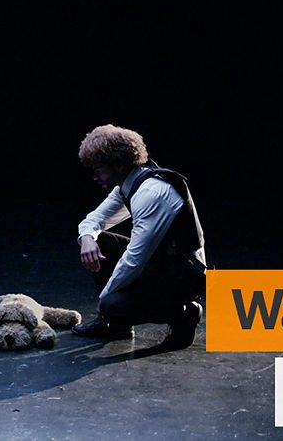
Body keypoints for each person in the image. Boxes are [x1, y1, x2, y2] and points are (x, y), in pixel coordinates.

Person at [71, 124, 207, 350]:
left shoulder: (151, 193)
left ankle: (183, 313)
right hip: (160, 262)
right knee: (99, 240)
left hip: (184, 273)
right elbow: (93, 220)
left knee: (112, 304)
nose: (94, 177)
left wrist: (103, 300)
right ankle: (117, 326)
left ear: (118, 165)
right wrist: (86, 238)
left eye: (98, 170)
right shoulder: (128, 184)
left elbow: (134, 260)